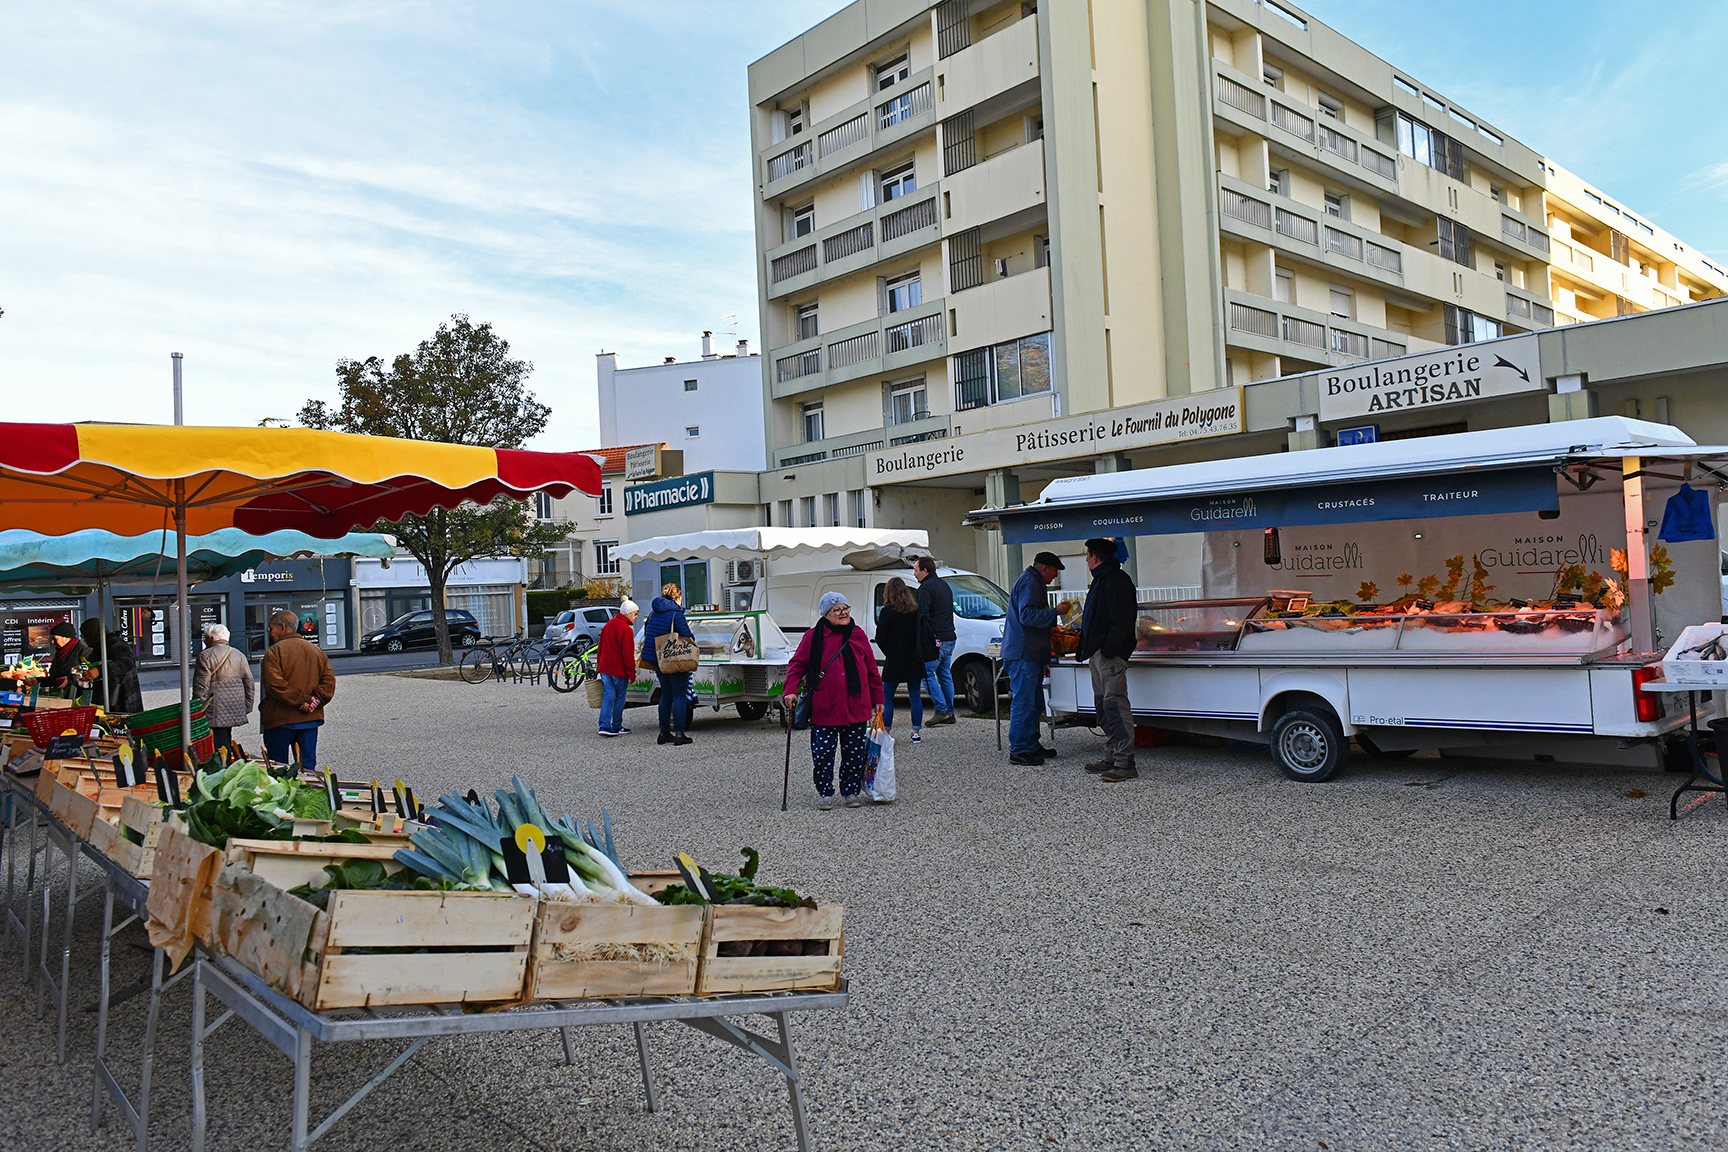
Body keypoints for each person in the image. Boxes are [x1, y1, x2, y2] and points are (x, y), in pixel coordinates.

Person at [784, 592, 883, 809]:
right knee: (823, 754)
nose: (843, 613)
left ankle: (850, 792)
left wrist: (878, 698)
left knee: (854, 753)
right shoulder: (812, 637)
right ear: (826, 614)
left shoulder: (857, 634)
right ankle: (825, 792)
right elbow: (797, 665)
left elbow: (871, 669)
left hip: (855, 705)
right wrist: (790, 690)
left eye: (845, 608)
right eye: (837, 610)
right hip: (824, 706)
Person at [1002, 552, 1075, 766]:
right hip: (1023, 654)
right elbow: (1027, 615)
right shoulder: (1030, 583)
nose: (1055, 577)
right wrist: (1055, 612)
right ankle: (1019, 750)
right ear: (1045, 569)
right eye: (1054, 571)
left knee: (1033, 703)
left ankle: (1031, 745)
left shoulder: (1032, 581)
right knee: (1024, 703)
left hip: (1028, 653)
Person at [1077, 537, 1139, 782]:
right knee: (1104, 707)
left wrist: (1110, 650)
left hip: (1108, 655)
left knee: (1114, 706)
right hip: (1100, 653)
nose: (1086, 560)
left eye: (1087, 556)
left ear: (1094, 558)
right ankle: (1112, 756)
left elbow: (1121, 620)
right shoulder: (1103, 580)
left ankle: (1125, 762)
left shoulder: (1115, 581)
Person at [259, 608, 335, 767]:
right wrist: (315, 700)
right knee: (308, 768)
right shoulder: (316, 650)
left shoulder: (274, 652)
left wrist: (303, 700)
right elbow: (328, 681)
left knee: (278, 769)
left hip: (280, 718)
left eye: (271, 628)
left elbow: (274, 683)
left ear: (282, 627)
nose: (270, 633)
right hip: (309, 719)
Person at [874, 577, 935, 744]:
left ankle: (886, 732)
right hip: (914, 658)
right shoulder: (915, 610)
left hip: (894, 659)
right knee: (915, 696)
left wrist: (889, 651)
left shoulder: (887, 612)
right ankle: (916, 732)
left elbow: (880, 637)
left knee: (887, 697)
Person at [640, 584, 695, 746]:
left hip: (657, 658)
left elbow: (647, 633)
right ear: (677, 598)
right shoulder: (675, 614)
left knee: (666, 695)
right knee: (679, 695)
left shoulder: (653, 612)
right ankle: (679, 733)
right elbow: (687, 636)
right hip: (674, 658)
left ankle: (664, 732)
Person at [193, 623, 254, 751]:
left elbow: (201, 686)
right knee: (226, 735)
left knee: (218, 741)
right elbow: (249, 681)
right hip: (235, 704)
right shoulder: (239, 654)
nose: (204, 640)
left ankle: (222, 765)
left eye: (206, 637)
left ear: (213, 639)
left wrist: (197, 707)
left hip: (215, 705)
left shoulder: (205, 656)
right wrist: (248, 704)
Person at [914, 557, 957, 724]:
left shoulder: (925, 588)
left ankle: (941, 709)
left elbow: (923, 615)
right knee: (945, 675)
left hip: (936, 639)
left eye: (916, 570)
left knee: (926, 674)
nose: (915, 573)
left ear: (925, 571)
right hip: (949, 636)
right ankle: (950, 711)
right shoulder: (944, 585)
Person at [596, 599, 640, 737]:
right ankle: (616, 725)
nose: (636, 617)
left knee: (608, 697)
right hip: (618, 669)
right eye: (635, 614)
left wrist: (599, 665)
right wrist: (632, 673)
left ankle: (604, 725)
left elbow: (600, 647)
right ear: (628, 613)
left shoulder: (608, 625)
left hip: (605, 667)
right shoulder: (626, 629)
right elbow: (628, 655)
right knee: (620, 697)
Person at [81, 619, 144, 714]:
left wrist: (100, 670)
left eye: (84, 636)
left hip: (122, 700)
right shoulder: (98, 647)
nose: (84, 639)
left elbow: (126, 662)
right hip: (108, 700)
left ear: (92, 634)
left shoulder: (114, 643)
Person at [41, 621, 93, 697]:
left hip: (79, 697)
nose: (52, 642)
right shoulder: (60, 652)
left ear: (66, 638)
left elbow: (88, 673)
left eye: (55, 638)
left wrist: (69, 680)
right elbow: (56, 679)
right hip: (64, 696)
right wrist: (38, 681)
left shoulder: (83, 651)